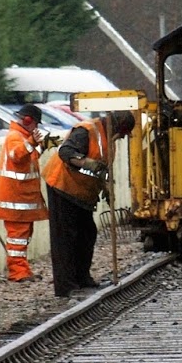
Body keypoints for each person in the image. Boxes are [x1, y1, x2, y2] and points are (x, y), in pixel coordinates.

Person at [42, 109, 135, 298]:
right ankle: (66, 286)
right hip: (62, 185)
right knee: (65, 237)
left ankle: (82, 278)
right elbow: (65, 151)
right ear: (118, 126)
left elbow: (102, 166)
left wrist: (106, 187)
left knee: (87, 233)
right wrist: (86, 162)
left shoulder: (108, 139)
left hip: (82, 193)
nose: (123, 138)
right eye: (124, 134)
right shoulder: (86, 131)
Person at [0, 104, 48, 282]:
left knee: (22, 237)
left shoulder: (22, 137)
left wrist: (42, 146)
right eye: (36, 124)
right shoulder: (15, 137)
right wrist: (32, 142)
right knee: (17, 238)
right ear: (28, 120)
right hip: (15, 198)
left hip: (21, 198)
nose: (37, 128)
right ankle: (18, 272)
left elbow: (29, 157)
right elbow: (17, 155)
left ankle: (22, 269)